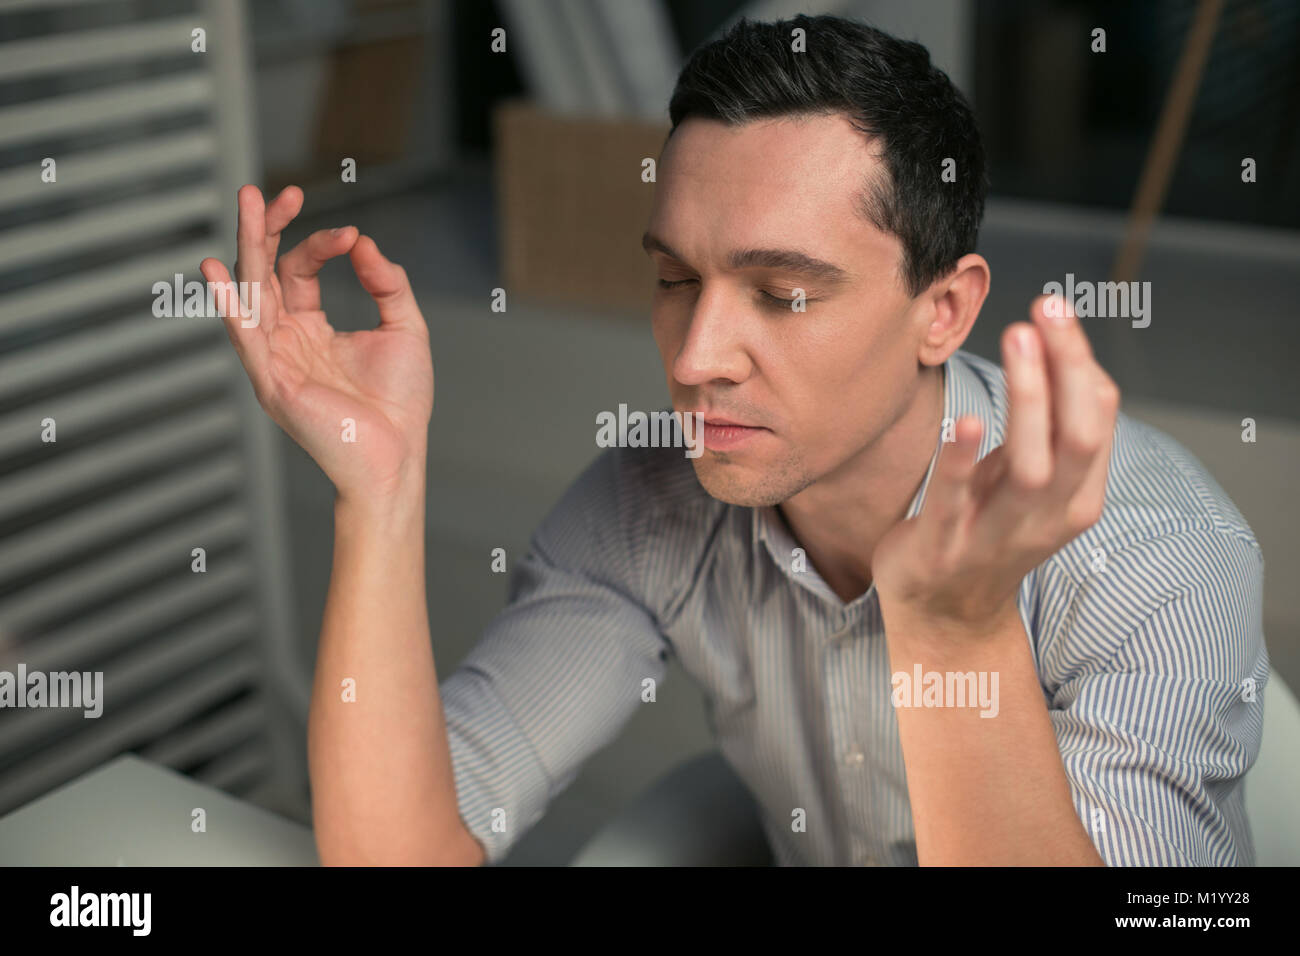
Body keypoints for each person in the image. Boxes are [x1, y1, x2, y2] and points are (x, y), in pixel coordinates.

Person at [200, 14, 1268, 866]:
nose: (698, 352)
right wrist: (379, 486)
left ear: (942, 310)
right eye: (674, 280)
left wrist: (955, 630)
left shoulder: (1152, 553)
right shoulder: (653, 505)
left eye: (784, 293)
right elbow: (399, 854)